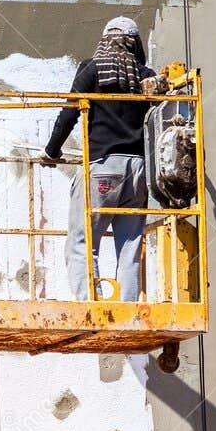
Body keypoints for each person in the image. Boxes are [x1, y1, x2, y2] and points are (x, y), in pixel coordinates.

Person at [43, 15, 166, 302]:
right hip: (138, 170)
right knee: (130, 246)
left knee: (83, 242)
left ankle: (91, 304)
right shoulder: (145, 75)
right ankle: (128, 308)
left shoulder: (92, 69)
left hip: (102, 167)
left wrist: (52, 151)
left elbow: (69, 114)